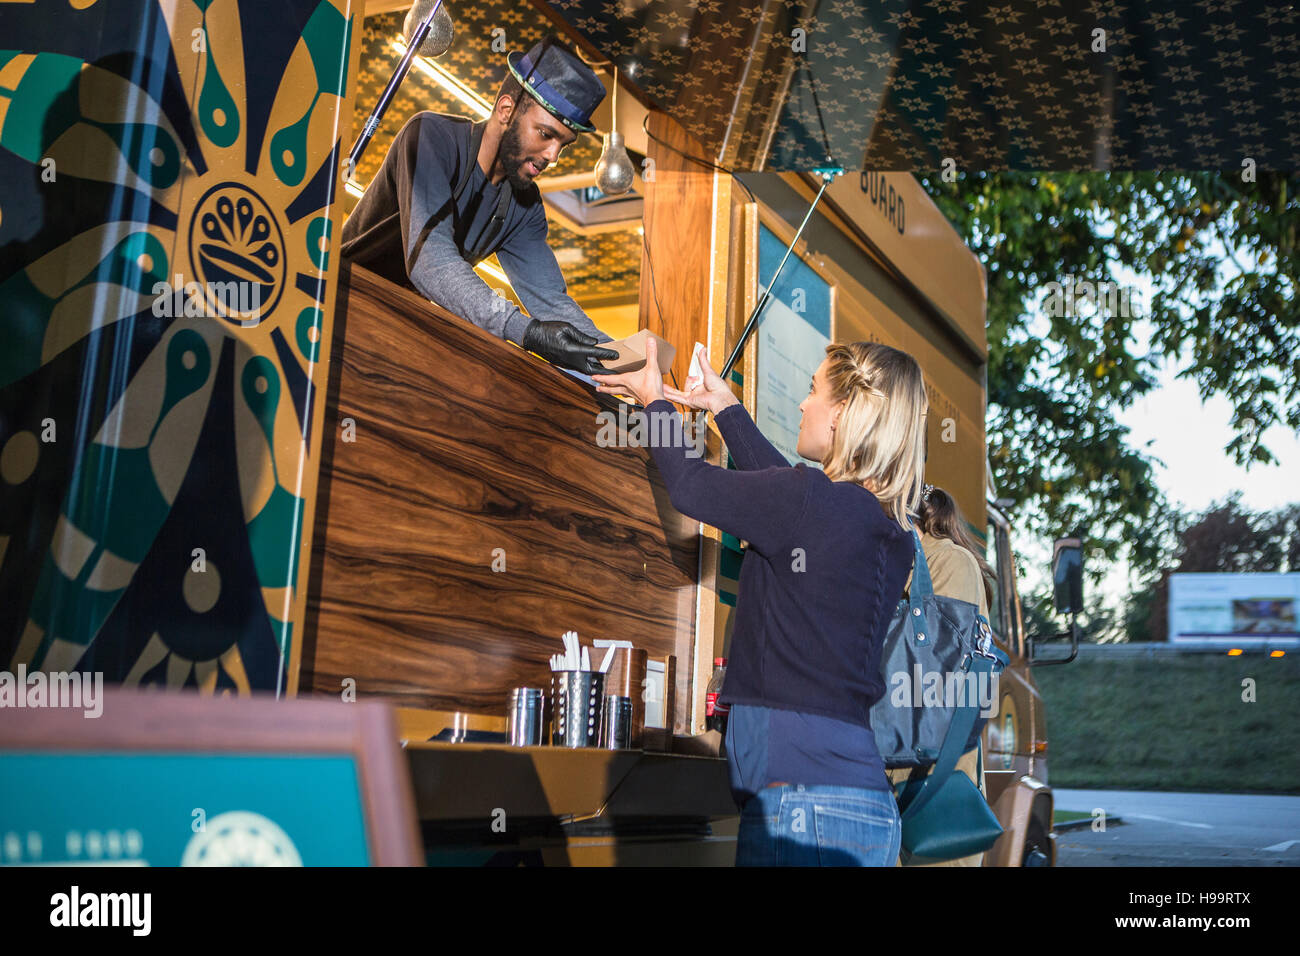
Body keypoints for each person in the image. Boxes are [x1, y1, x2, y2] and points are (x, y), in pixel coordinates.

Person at [593, 338, 928, 866]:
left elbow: (691, 487)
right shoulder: (887, 529)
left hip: (802, 806)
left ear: (843, 414)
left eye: (813, 390)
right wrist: (725, 408)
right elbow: (787, 505)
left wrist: (652, 399)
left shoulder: (812, 503)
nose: (802, 403)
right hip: (860, 807)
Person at [341, 36, 619, 375]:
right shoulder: (431, 138)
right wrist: (526, 332)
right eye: (546, 134)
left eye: (564, 143)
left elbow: (554, 305)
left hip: (401, 326)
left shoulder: (524, 204)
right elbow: (432, 263)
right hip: (335, 305)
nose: (553, 156)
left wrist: (627, 368)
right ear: (506, 110)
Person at [887, 483, 996, 867]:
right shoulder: (911, 565)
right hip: (898, 780)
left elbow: (937, 673)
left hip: (932, 785)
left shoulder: (949, 562)